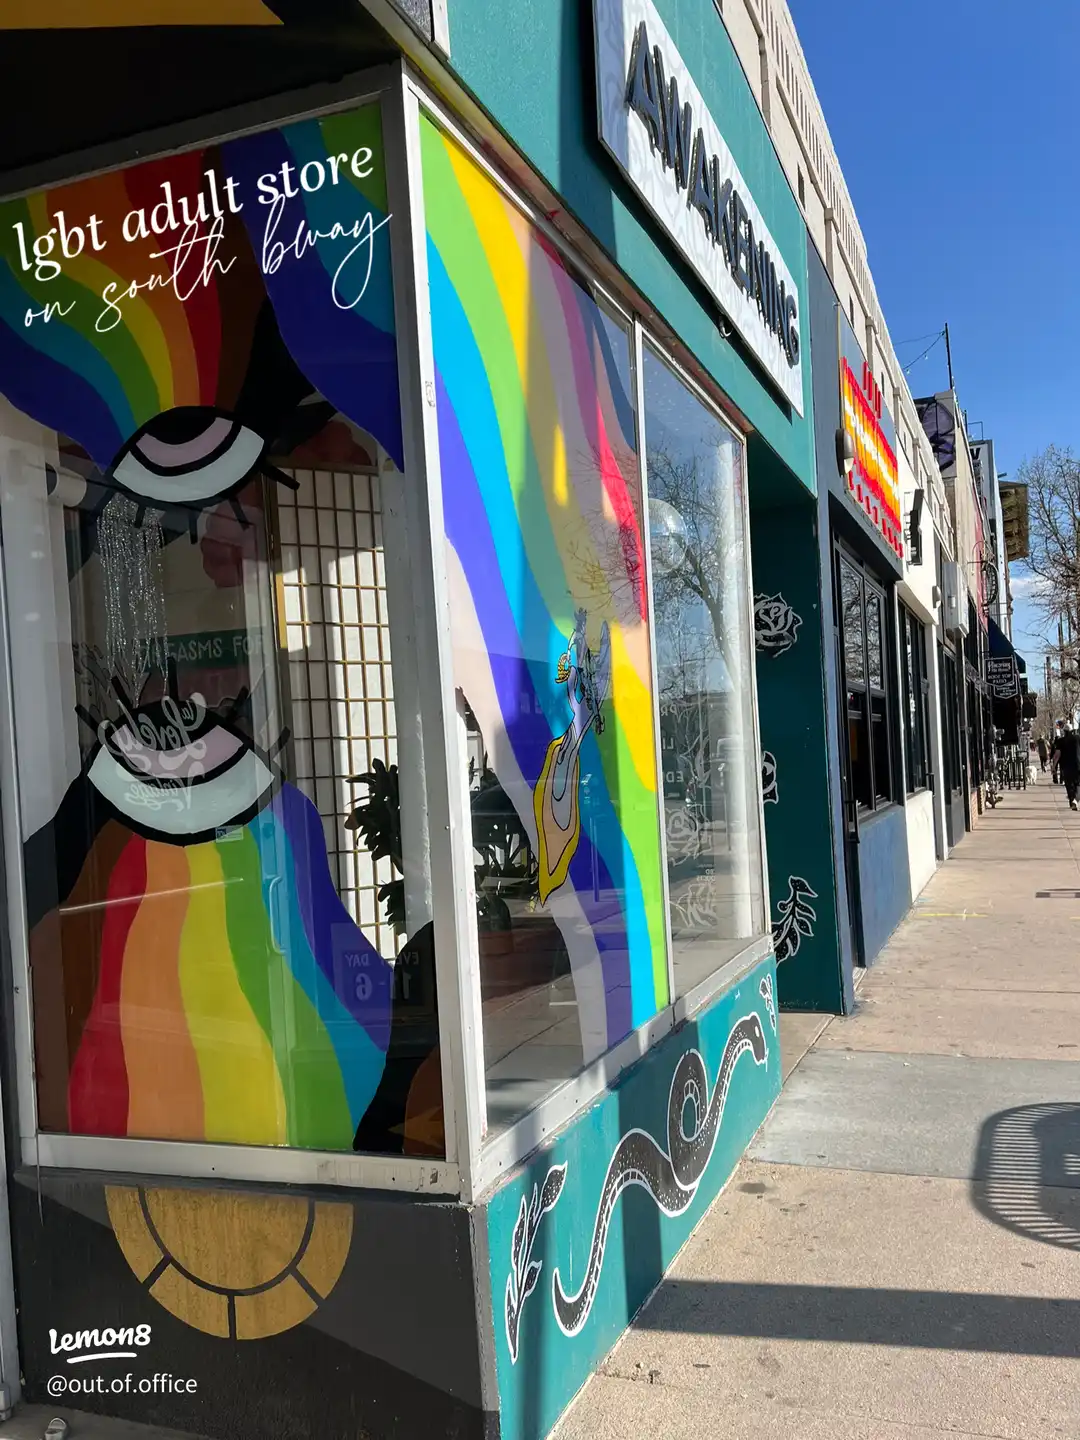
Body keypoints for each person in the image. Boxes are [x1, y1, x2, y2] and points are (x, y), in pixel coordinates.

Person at [1058, 727, 1080, 810]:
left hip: (1066, 766)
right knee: (1078, 783)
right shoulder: (1078, 738)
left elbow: (1057, 754)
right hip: (1078, 765)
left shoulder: (1061, 741)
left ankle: (1072, 800)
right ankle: (1075, 799)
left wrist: (1053, 766)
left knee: (1069, 785)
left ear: (1064, 731)